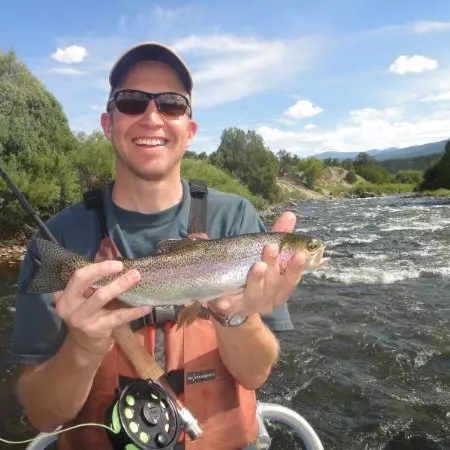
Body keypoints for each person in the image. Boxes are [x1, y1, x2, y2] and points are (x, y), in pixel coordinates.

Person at [10, 42, 308, 450]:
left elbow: (255, 376)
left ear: (190, 130)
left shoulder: (236, 218)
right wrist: (82, 346)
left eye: (171, 104)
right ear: (107, 122)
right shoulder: (56, 240)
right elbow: (43, 416)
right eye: (132, 102)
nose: (152, 117)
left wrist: (239, 315)